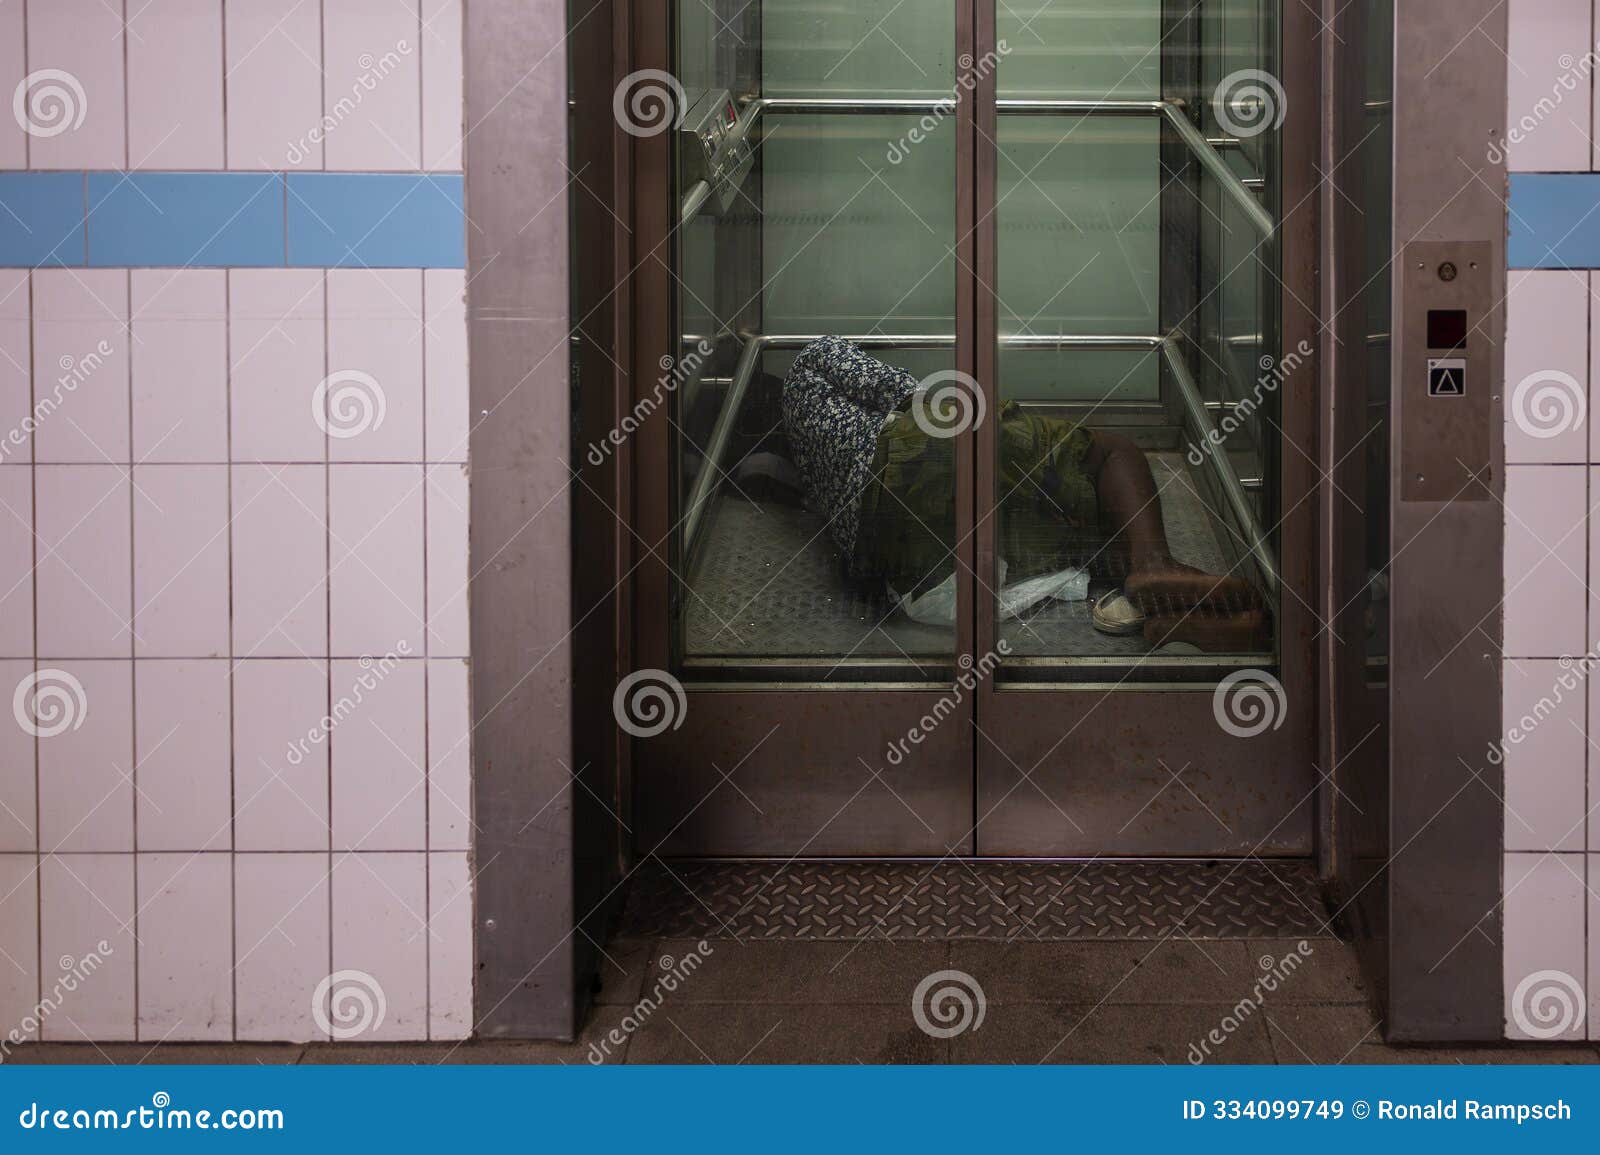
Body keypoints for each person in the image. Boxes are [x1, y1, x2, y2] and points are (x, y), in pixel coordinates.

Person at [780, 336, 1266, 651]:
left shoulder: (812, 480)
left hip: (904, 558)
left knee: (1085, 528)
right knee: (1107, 455)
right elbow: (911, 394)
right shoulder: (807, 367)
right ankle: (1157, 567)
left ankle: (1172, 617)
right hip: (914, 452)